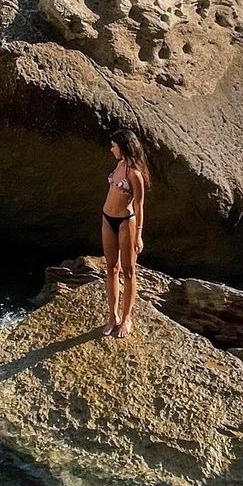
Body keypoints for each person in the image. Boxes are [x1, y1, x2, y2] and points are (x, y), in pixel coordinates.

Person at [100, 128, 150, 338]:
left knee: (128, 271)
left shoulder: (134, 174)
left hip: (125, 222)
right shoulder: (119, 165)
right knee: (111, 268)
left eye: (114, 145)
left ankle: (126, 318)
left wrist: (138, 234)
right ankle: (113, 317)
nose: (112, 149)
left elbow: (139, 205)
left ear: (124, 146)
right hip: (107, 218)